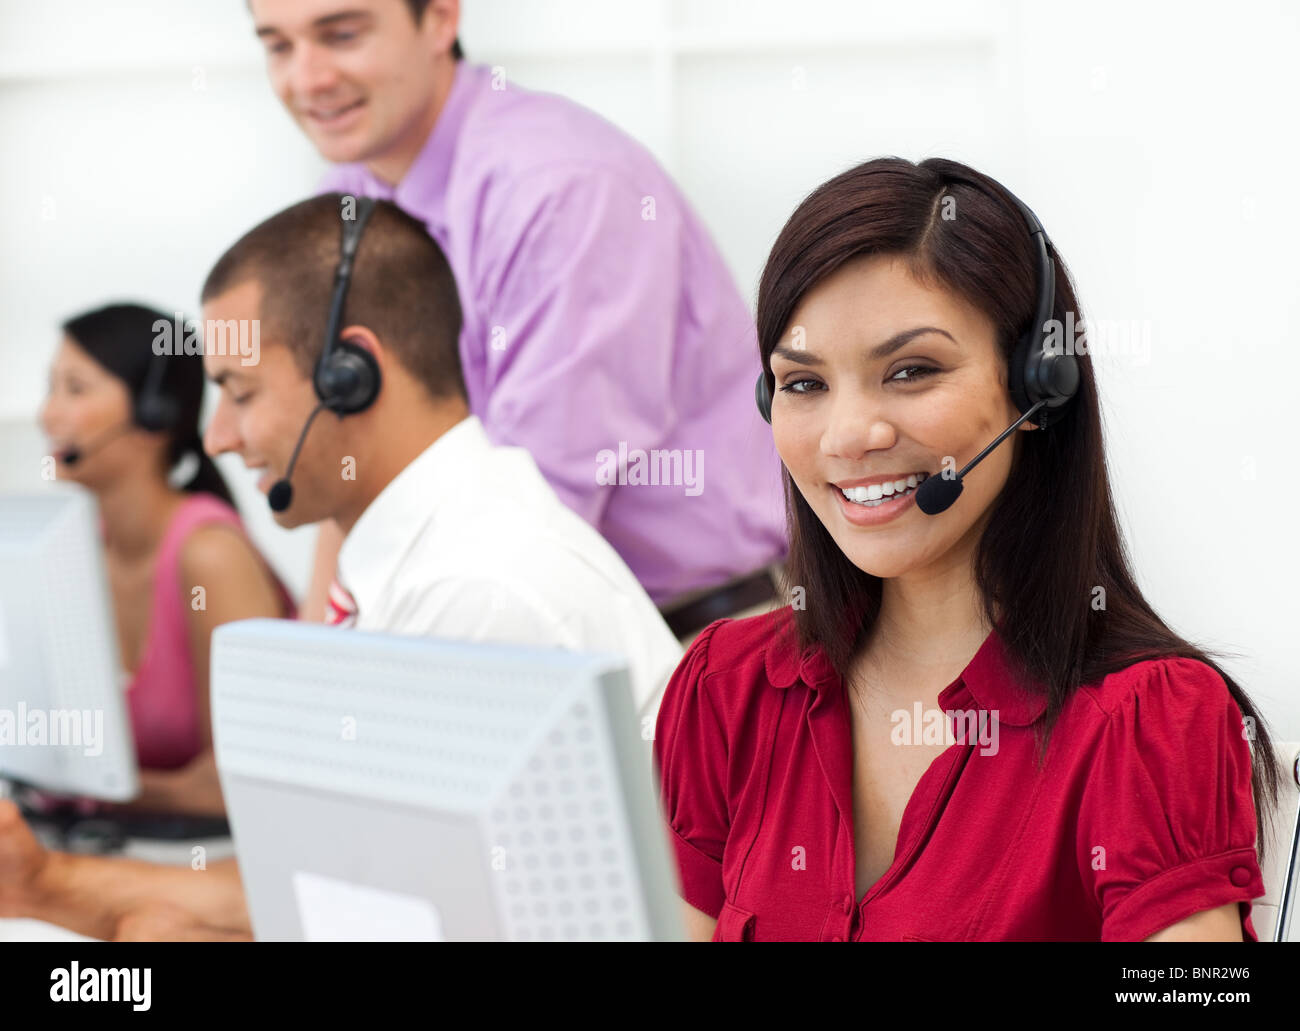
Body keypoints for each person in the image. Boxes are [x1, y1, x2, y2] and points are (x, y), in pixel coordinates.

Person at [0, 193, 683, 941]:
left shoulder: (477, 591)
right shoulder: (414, 554)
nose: (219, 437)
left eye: (240, 392)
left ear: (351, 372)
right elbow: (342, 877)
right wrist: (43, 883)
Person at [652, 156, 1286, 942]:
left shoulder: (1147, 723)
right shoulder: (726, 690)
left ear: (1037, 385)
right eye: (804, 384)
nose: (850, 436)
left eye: (911, 370)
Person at [248, 0, 788, 635]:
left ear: (442, 19)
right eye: (278, 46)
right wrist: (320, 663)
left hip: (693, 639)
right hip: (516, 614)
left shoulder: (560, 188)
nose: (307, 79)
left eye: (341, 35)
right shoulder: (347, 193)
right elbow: (350, 458)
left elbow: (538, 506)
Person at [37, 304, 292, 818]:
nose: (48, 414)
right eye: (51, 388)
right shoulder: (80, 551)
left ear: (154, 413)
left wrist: (84, 792)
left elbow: (244, 786)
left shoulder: (209, 555)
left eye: (76, 388)